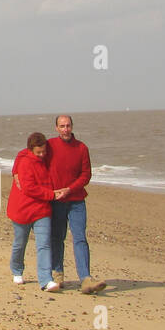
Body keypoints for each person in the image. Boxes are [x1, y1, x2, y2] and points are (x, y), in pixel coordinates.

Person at [47, 114, 105, 294]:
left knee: (80, 238)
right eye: (62, 126)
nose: (65, 129)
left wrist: (69, 189)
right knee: (57, 238)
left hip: (77, 201)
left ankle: (85, 279)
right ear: (56, 128)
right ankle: (58, 274)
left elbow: (86, 175)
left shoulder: (81, 148)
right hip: (56, 201)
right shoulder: (49, 146)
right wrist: (17, 172)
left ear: (72, 127)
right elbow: (29, 156)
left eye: (68, 126)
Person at [7, 132, 61, 291]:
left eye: (44, 151)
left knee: (44, 244)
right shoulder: (24, 162)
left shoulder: (46, 156)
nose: (42, 155)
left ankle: (46, 280)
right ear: (30, 150)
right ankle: (17, 270)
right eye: (38, 152)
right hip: (21, 210)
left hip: (42, 210)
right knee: (20, 243)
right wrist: (51, 194)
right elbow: (29, 188)